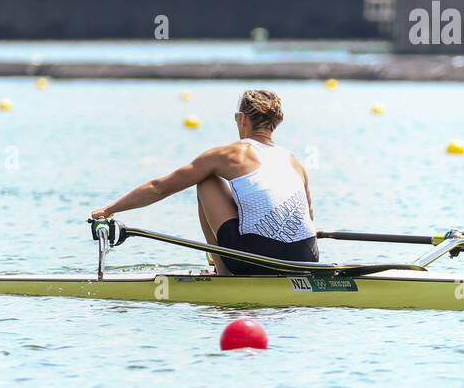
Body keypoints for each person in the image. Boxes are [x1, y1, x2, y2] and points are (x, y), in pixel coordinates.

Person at [90, 89, 318, 274]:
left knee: (206, 180)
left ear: (243, 119)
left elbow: (159, 188)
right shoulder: (293, 161)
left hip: (253, 260)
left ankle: (222, 272)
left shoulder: (229, 154)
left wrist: (109, 210)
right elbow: (309, 217)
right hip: (306, 259)